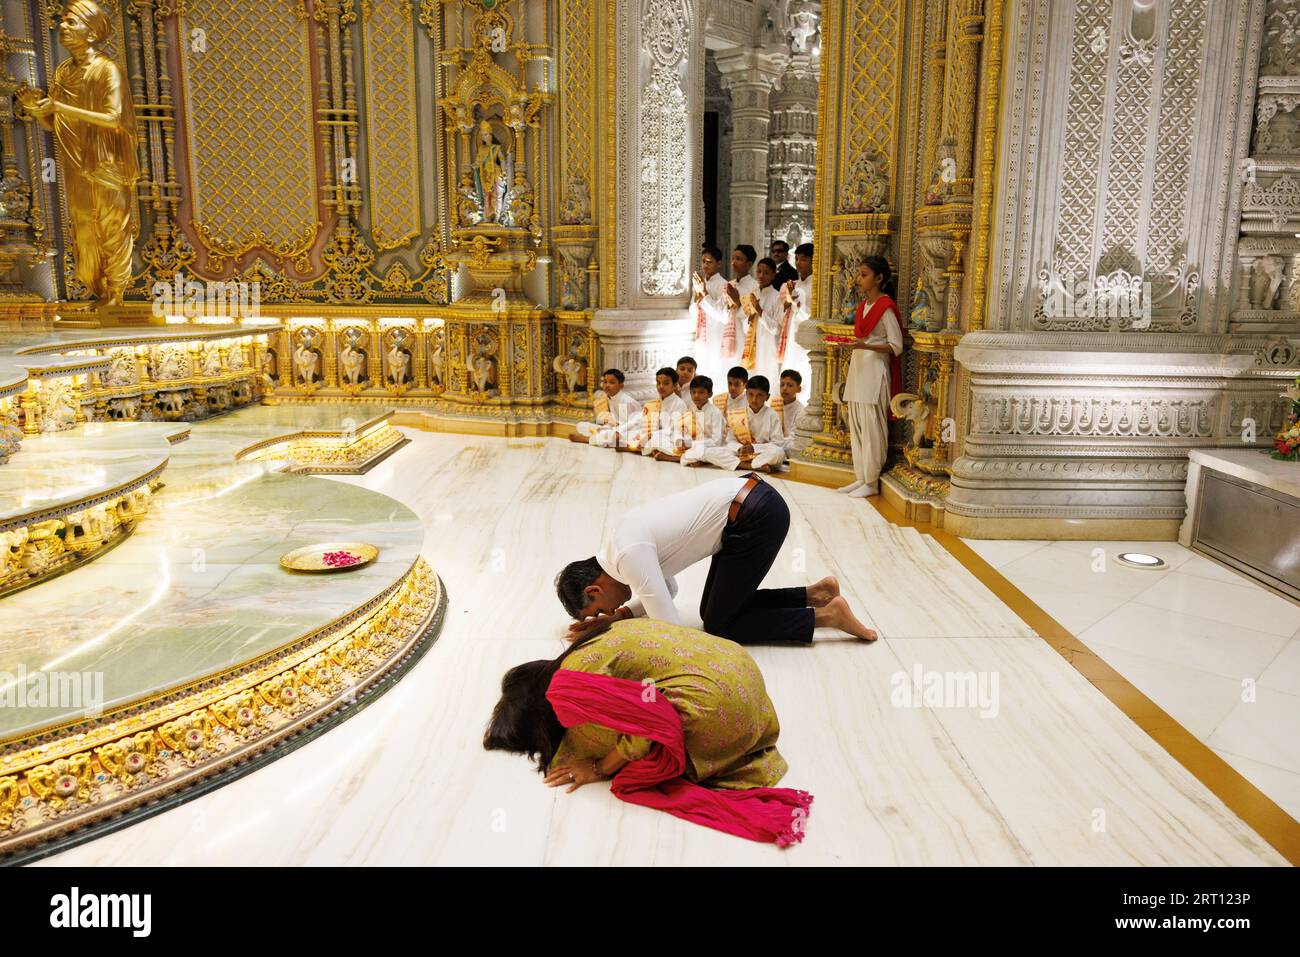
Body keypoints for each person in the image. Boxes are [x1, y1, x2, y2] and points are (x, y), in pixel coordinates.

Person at [483, 617, 813, 846]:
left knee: (650, 757)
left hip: (719, 707)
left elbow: (651, 722)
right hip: (743, 673)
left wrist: (600, 767)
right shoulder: (599, 638)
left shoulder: (566, 688)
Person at [554, 475, 876, 645]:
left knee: (721, 623)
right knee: (714, 612)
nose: (607, 612)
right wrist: (618, 617)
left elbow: (671, 629)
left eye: (600, 610)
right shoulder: (619, 547)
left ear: (594, 590)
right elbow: (670, 588)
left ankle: (827, 616)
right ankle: (815, 595)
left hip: (755, 515)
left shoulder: (627, 556)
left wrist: (617, 639)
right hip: (748, 505)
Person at [840, 256, 903, 498]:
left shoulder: (886, 307)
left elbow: (895, 345)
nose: (859, 279)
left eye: (864, 274)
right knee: (856, 424)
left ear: (878, 278)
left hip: (875, 372)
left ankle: (872, 481)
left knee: (872, 427)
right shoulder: (863, 306)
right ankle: (860, 477)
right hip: (859, 370)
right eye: (859, 274)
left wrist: (865, 347)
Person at [702, 374, 786, 473]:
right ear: (746, 394)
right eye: (751, 394)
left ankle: (744, 464)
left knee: (778, 453)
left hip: (762, 454)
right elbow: (730, 441)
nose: (754, 399)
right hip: (741, 454)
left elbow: (778, 444)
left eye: (759, 395)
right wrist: (739, 448)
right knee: (708, 452)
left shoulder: (772, 415)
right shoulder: (737, 414)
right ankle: (751, 466)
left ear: (767, 397)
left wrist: (754, 448)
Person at [573, 368, 641, 448]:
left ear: (621, 386)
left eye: (612, 382)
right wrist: (604, 428)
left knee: (612, 435)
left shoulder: (625, 401)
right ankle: (600, 437)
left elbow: (626, 426)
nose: (607, 385)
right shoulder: (610, 398)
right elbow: (615, 422)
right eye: (605, 382)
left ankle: (588, 439)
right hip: (617, 429)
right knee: (581, 425)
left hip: (632, 432)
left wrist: (607, 430)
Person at [778, 242, 815, 389]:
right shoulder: (795, 285)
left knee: (805, 375)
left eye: (804, 259)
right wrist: (788, 304)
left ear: (814, 261)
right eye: (797, 259)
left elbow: (811, 315)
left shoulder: (816, 286)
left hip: (808, 337)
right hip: (792, 334)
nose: (798, 263)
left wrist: (796, 301)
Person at [691, 248, 729, 381]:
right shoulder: (700, 282)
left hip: (715, 334)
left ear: (718, 263)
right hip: (701, 333)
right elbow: (693, 311)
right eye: (703, 261)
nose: (705, 265)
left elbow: (722, 316)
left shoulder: (724, 285)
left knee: (714, 370)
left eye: (709, 262)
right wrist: (697, 298)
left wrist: (704, 293)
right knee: (700, 367)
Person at [637, 367, 689, 456]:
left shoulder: (679, 404)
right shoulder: (657, 401)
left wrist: (650, 435)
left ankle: (670, 455)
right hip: (658, 435)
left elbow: (674, 430)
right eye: (658, 383)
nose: (661, 386)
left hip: (673, 437)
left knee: (656, 438)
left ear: (675, 385)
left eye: (666, 383)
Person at [677, 375, 726, 466]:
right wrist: (684, 441)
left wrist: (692, 444)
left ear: (710, 394)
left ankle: (698, 459)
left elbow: (717, 441)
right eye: (693, 392)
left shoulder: (715, 413)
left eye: (701, 392)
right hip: (695, 444)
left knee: (709, 453)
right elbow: (688, 431)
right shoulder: (692, 409)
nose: (696, 395)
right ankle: (698, 459)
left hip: (712, 447)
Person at [722, 245, 759, 364]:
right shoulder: (730, 284)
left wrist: (738, 302)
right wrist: (728, 307)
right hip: (728, 334)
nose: (734, 262)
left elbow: (752, 318)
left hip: (744, 336)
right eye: (733, 258)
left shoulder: (755, 286)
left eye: (738, 259)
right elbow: (722, 313)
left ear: (749, 264)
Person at [775, 369, 806, 455]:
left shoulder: (801, 411)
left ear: (799, 389)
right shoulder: (775, 404)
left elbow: (793, 440)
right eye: (782, 385)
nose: (784, 388)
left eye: (790, 385)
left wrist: (773, 442)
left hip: (787, 448)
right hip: (773, 445)